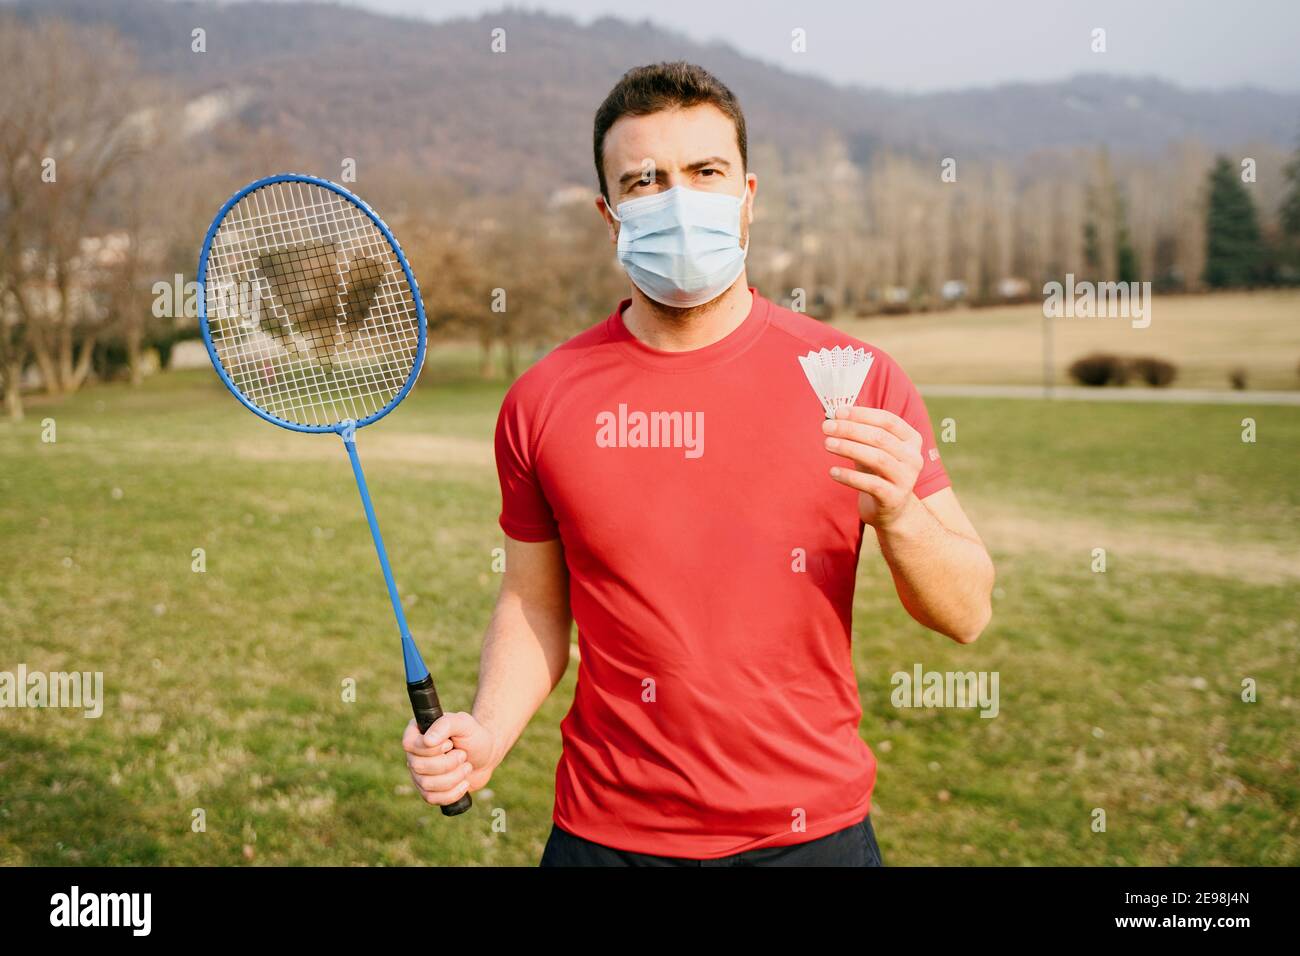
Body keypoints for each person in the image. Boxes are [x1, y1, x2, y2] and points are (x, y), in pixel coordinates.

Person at [402, 61, 994, 866]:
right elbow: (536, 604)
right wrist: (490, 732)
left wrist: (902, 516)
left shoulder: (858, 380)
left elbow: (965, 613)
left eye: (705, 172)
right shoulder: (543, 399)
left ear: (747, 196)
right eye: (646, 181)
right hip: (605, 838)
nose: (679, 200)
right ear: (610, 216)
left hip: (810, 835)